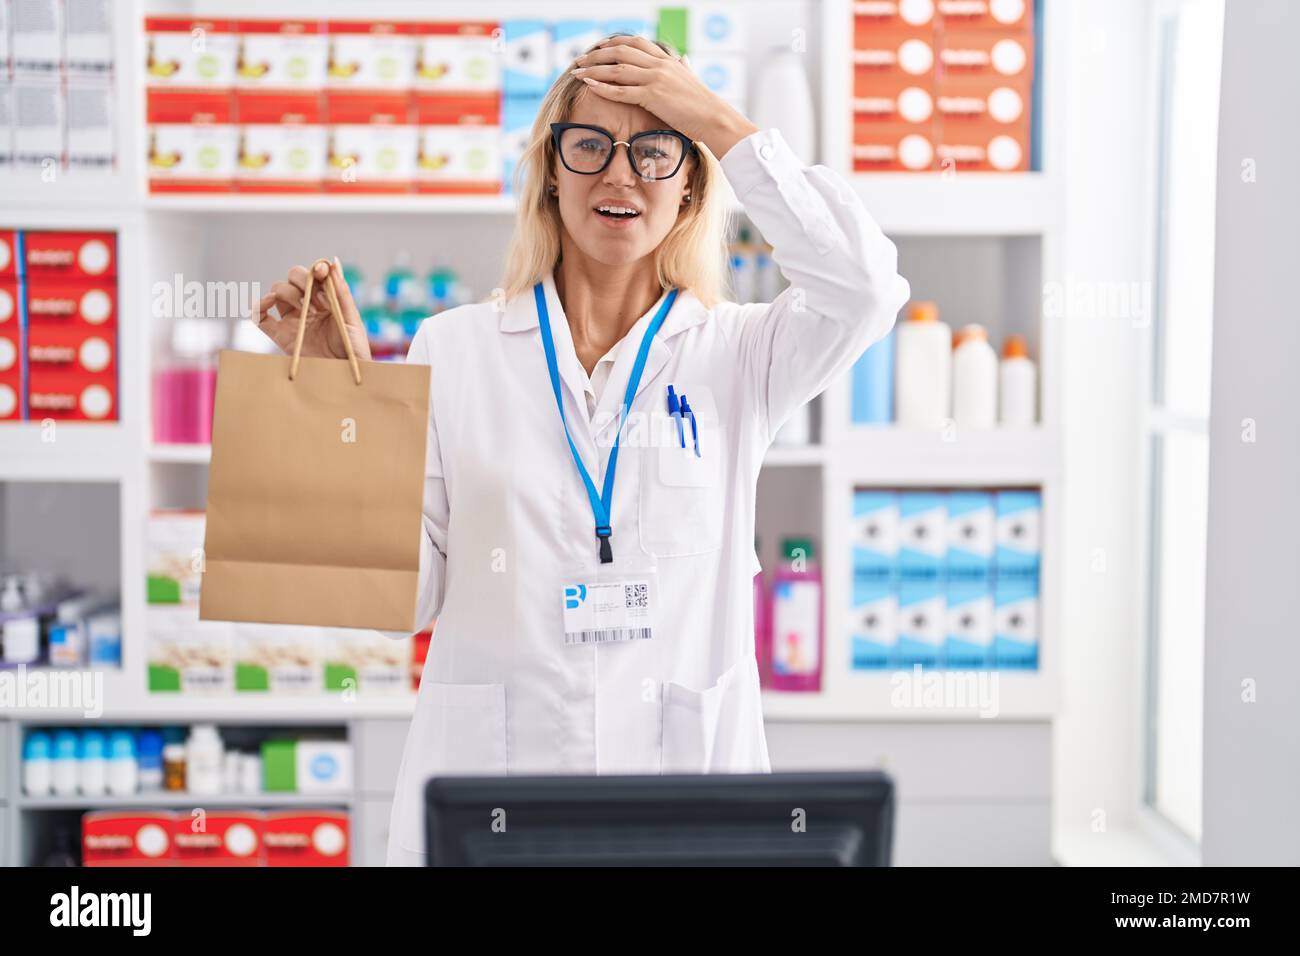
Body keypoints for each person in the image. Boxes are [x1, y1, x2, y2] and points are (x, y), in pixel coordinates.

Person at [257, 35, 910, 866]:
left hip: (682, 806)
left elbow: (863, 289)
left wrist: (714, 117)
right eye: (591, 145)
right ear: (553, 171)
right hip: (497, 803)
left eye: (655, 147)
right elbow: (404, 599)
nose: (620, 174)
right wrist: (333, 400)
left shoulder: (739, 355)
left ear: (692, 182)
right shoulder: (453, 349)